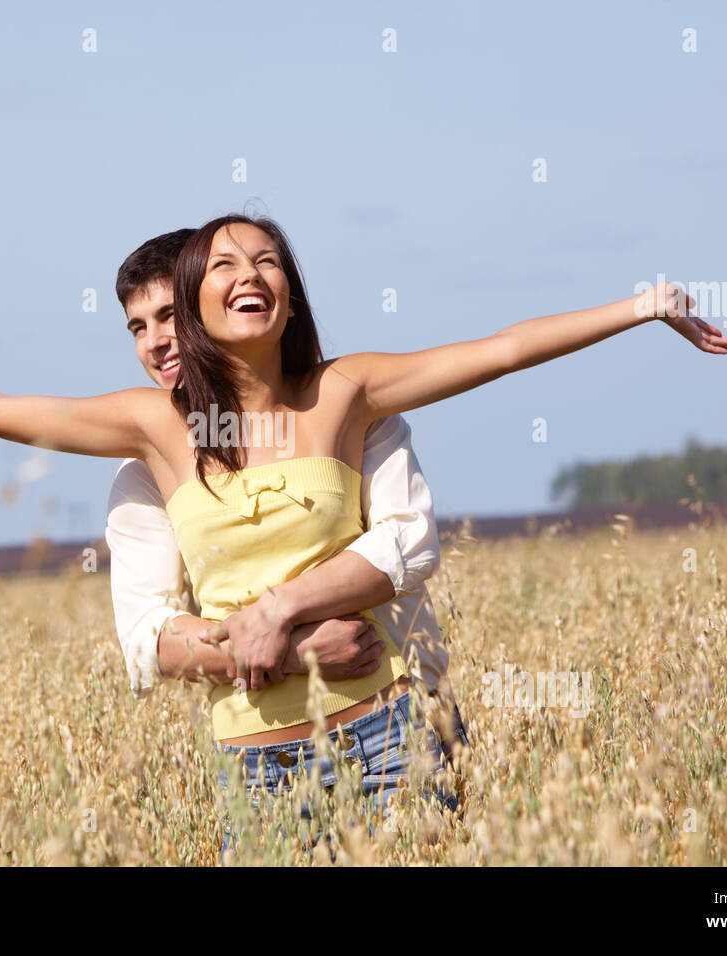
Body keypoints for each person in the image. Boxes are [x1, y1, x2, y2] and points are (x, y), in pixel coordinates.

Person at [0, 213, 727, 853]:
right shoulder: (153, 434)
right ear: (193, 305)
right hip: (255, 764)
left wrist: (643, 307)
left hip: (392, 733)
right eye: (223, 265)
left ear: (290, 291)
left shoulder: (348, 393)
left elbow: (503, 348)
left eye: (267, 260)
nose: (250, 275)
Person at [104, 230, 467, 847]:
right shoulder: (145, 466)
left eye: (169, 316)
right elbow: (149, 638)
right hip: (257, 760)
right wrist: (294, 651)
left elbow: (406, 543)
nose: (156, 342)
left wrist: (279, 610)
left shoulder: (342, 409)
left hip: (400, 718)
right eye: (138, 327)